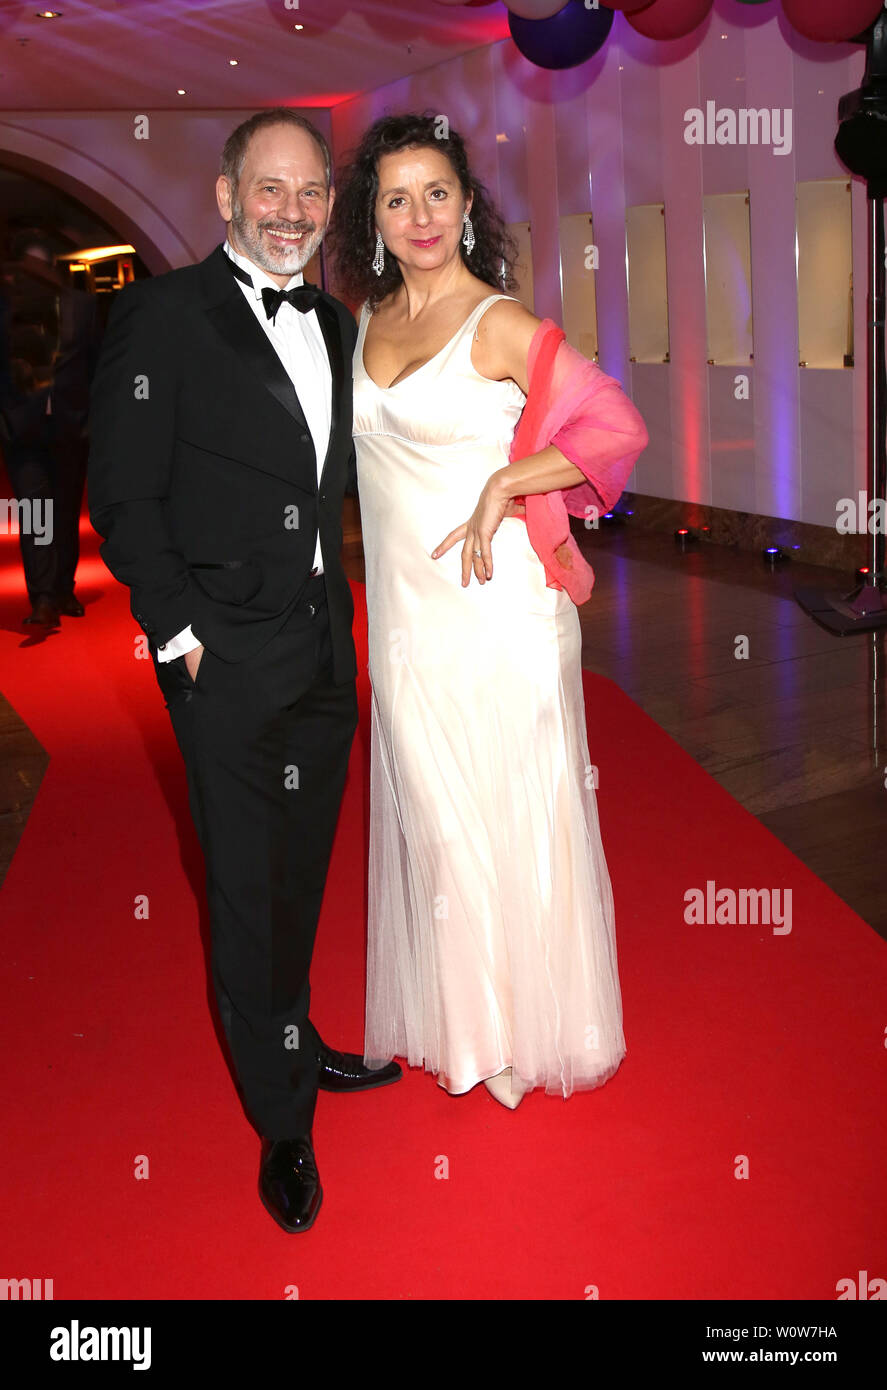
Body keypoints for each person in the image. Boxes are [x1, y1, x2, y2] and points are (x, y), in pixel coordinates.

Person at [88, 109, 401, 1234]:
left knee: (300, 872)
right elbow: (121, 498)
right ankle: (282, 1122)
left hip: (321, 646)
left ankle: (296, 1036)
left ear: (329, 207)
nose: (289, 211)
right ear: (226, 195)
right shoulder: (160, 318)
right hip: (222, 660)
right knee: (242, 890)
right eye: (268, 190)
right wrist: (181, 640)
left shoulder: (332, 318)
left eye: (310, 192)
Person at [328, 113, 649, 1109]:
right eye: (395, 197)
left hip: (501, 609)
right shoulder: (364, 323)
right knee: (439, 825)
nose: (418, 214)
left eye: (436, 192)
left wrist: (509, 484)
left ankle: (523, 1035)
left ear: (466, 206)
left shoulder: (498, 321)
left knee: (517, 815)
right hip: (402, 620)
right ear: (370, 219)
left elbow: (615, 426)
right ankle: (475, 1026)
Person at [0, 234, 100, 627]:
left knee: (65, 512)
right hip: (21, 430)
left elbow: (97, 366)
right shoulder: (5, 312)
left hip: (70, 427)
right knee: (35, 514)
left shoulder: (83, 307)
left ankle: (63, 589)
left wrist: (93, 419)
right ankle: (41, 595)